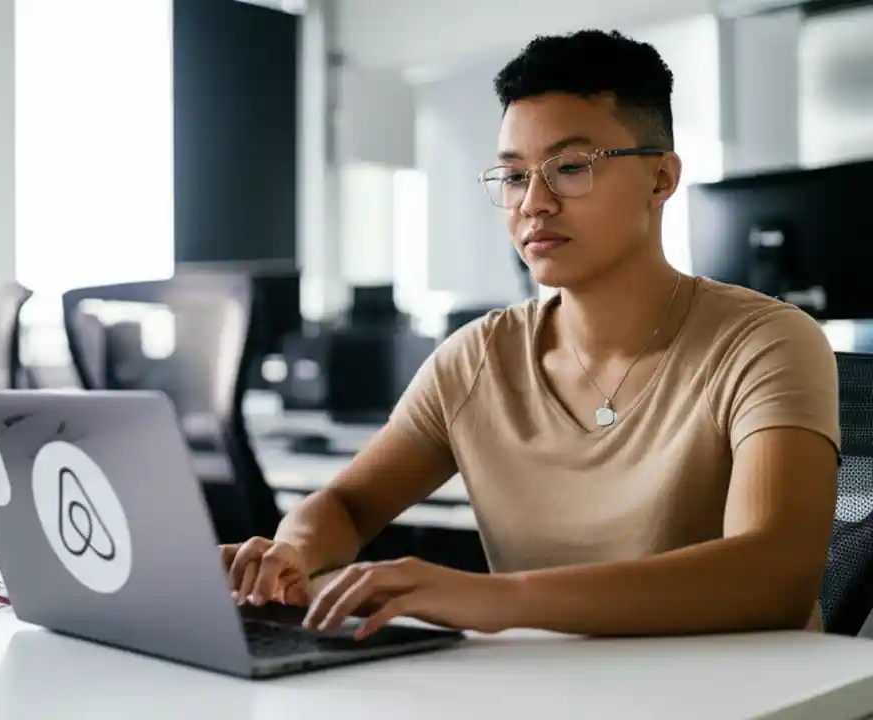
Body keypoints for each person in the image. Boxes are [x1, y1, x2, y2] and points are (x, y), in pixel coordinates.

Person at [222, 29, 839, 640]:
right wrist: (294, 551)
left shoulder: (767, 342)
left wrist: (497, 599)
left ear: (659, 179)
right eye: (515, 177)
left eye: (570, 168)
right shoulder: (476, 358)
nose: (533, 203)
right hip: (544, 695)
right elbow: (348, 505)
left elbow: (773, 576)